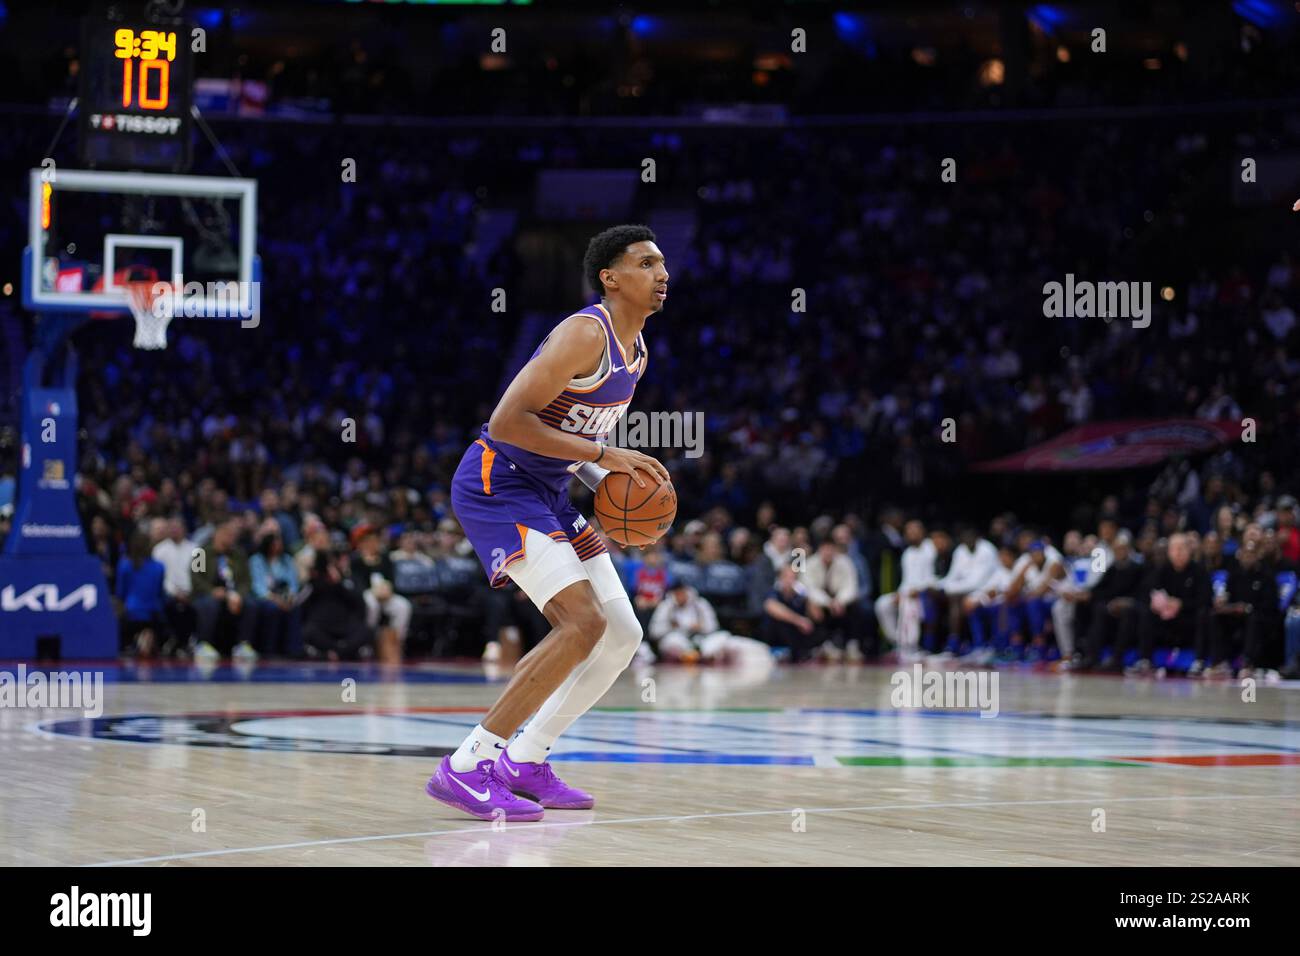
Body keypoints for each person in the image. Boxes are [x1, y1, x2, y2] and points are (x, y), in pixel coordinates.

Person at [428, 224, 670, 822]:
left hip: (551, 489)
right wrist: (607, 459)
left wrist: (615, 488)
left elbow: (579, 439)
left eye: (662, 263)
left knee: (622, 634)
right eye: (645, 263)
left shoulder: (637, 352)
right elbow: (507, 422)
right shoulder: (584, 333)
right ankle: (467, 764)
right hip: (499, 482)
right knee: (580, 624)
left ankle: (526, 759)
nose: (662, 273)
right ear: (611, 278)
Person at [115, 530, 168, 656]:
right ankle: (147, 637)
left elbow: (120, 593)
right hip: (153, 614)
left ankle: (137, 641)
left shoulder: (124, 565)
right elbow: (160, 593)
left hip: (131, 613)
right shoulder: (159, 566)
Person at [761, 564, 818, 662]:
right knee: (781, 624)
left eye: (793, 577)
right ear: (780, 578)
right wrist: (799, 621)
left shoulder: (800, 595)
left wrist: (810, 597)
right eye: (786, 577)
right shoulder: (774, 592)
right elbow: (772, 607)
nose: (789, 580)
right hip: (775, 635)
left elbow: (817, 616)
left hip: (796, 636)